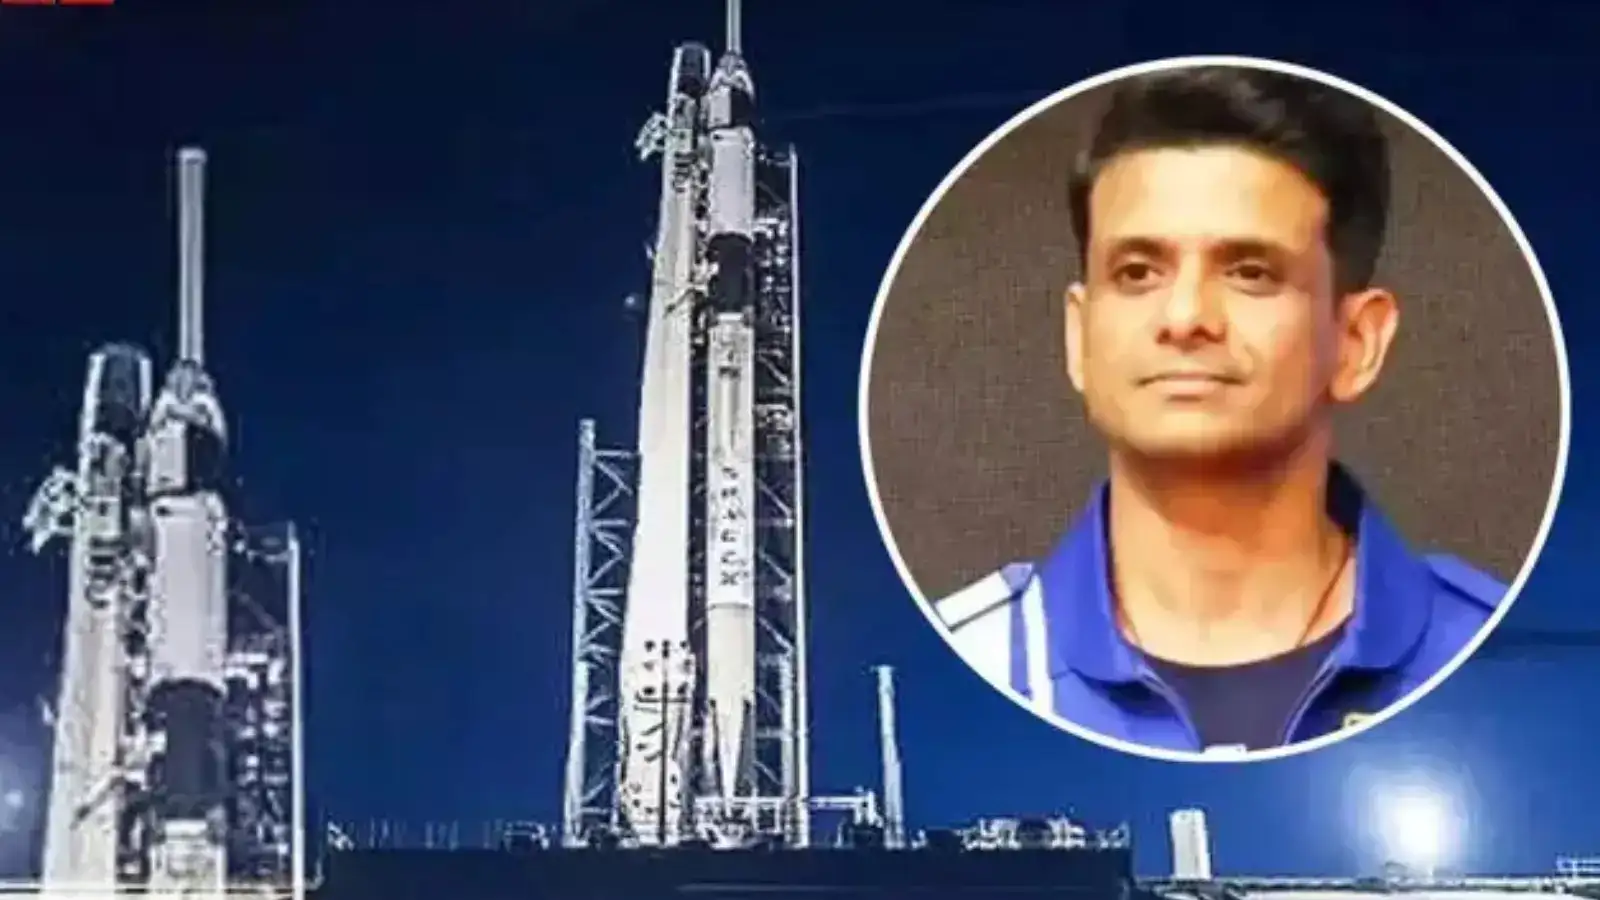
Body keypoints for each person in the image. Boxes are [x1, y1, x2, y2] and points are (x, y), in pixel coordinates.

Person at [931, 65, 1505, 755]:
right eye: (1137, 273)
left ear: (1356, 342)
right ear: (1078, 336)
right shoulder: (971, 659)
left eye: (1250, 273)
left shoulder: (1488, 653)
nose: (1184, 318)